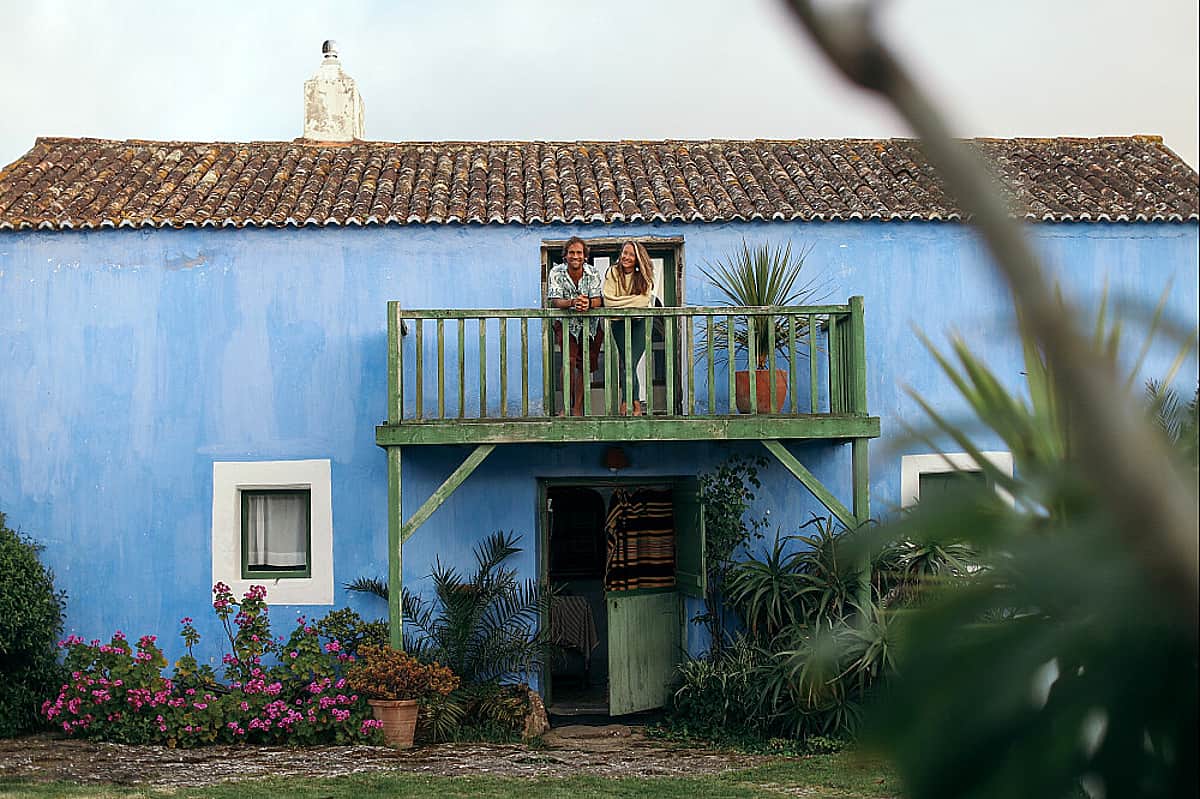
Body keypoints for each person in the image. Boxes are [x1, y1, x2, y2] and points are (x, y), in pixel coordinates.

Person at [546, 236, 604, 416]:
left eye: (579, 253)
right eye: (571, 252)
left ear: (585, 256)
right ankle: (565, 407)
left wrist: (588, 304)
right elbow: (555, 301)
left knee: (585, 365)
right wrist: (572, 302)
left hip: (590, 326)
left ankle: (577, 409)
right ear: (565, 255)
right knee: (568, 362)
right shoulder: (556, 272)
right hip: (566, 323)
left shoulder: (593, 272)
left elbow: (598, 299)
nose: (575, 256)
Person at [602, 241, 655, 416]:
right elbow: (608, 301)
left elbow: (644, 301)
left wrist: (621, 303)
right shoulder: (612, 272)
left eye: (631, 254)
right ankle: (634, 404)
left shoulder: (644, 276)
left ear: (637, 258)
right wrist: (633, 302)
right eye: (625, 253)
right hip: (619, 322)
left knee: (630, 363)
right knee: (628, 364)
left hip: (641, 323)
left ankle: (628, 404)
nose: (626, 257)